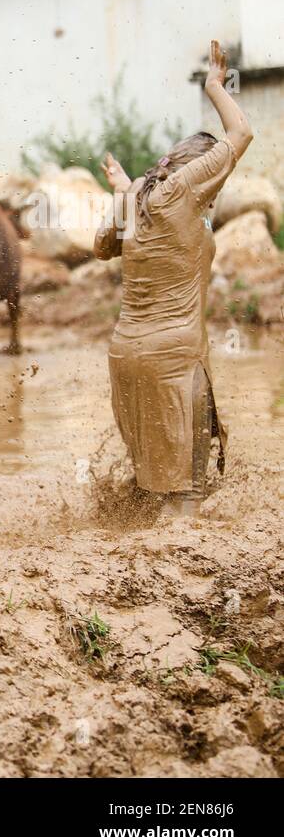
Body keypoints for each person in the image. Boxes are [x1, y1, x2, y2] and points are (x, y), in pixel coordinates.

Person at [94, 40, 252, 518]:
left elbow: (101, 247)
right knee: (187, 494)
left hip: (126, 358)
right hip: (174, 358)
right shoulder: (186, 187)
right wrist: (213, 87)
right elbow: (241, 133)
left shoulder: (140, 194)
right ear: (200, 170)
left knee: (149, 490)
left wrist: (124, 191)